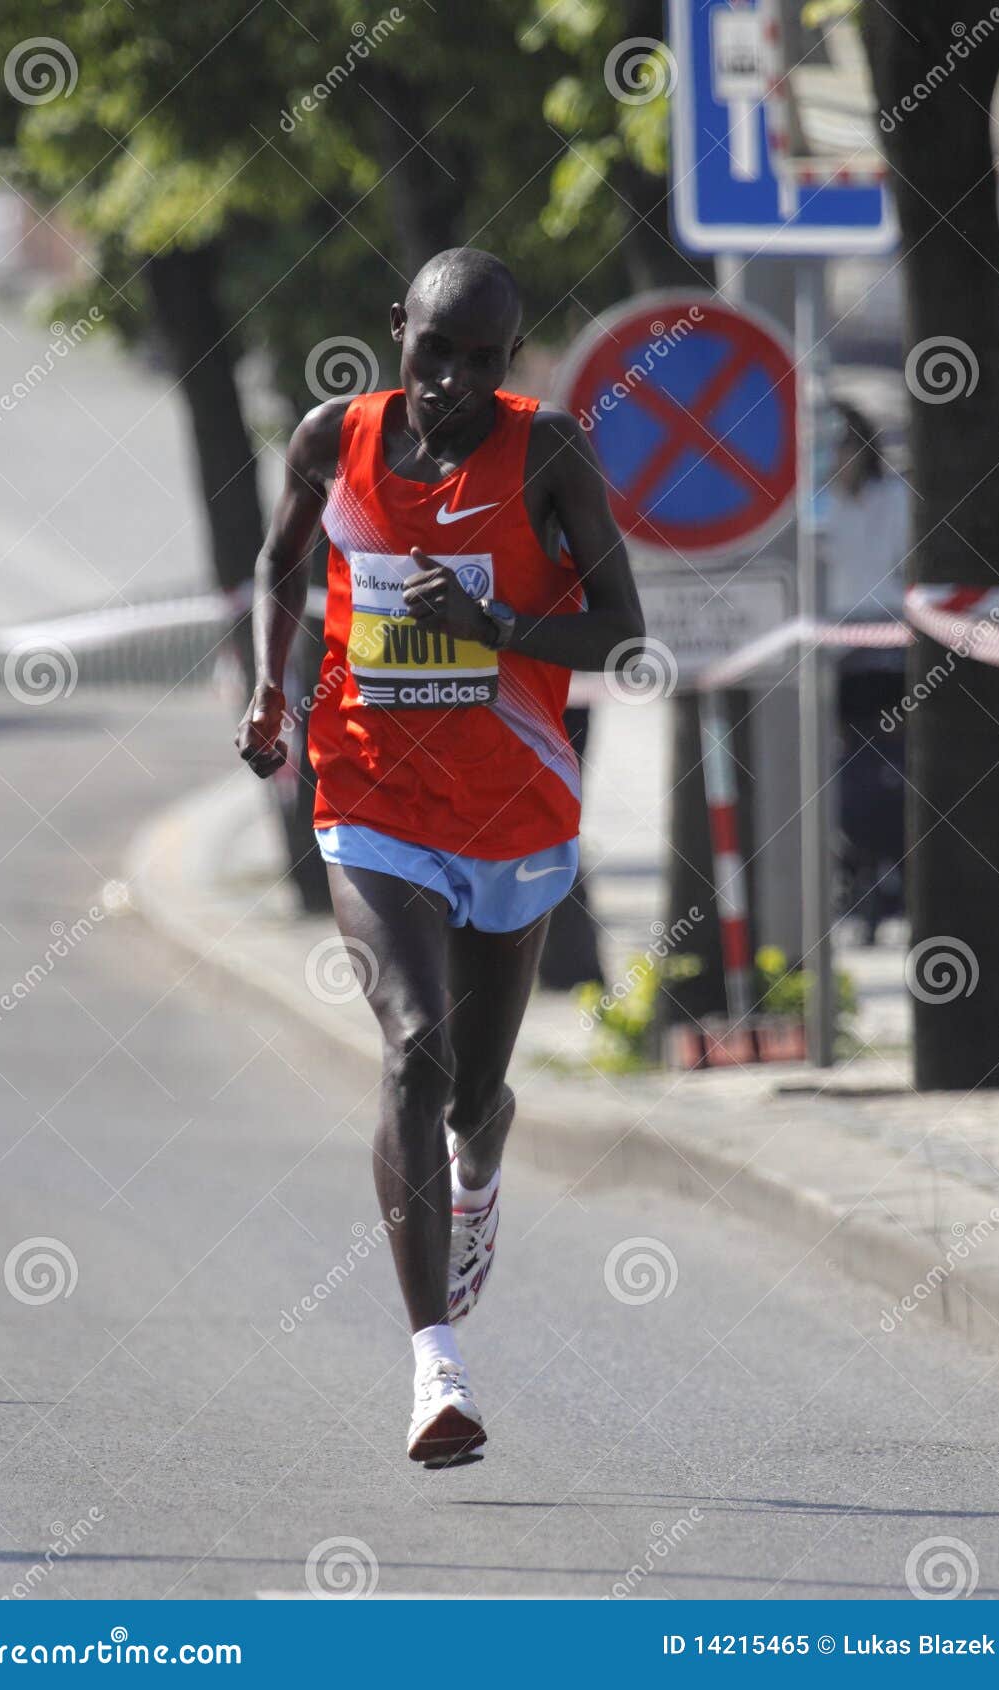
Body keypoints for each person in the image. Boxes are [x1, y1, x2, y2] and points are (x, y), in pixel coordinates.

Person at [236, 248, 643, 1465]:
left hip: (514, 810)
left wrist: (502, 627)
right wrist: (272, 690)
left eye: (481, 358)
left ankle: (482, 1149)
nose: (452, 380)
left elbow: (622, 627)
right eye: (434, 351)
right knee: (412, 1048)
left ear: (509, 357)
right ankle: (435, 1372)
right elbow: (279, 563)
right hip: (371, 792)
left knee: (471, 1085)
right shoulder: (333, 439)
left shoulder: (548, 452)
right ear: (395, 328)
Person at [824, 401, 910, 943]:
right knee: (849, 774)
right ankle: (860, 878)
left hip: (896, 648)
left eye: (844, 448)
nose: (837, 461)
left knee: (895, 768)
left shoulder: (897, 501)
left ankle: (895, 876)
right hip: (839, 656)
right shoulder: (819, 508)